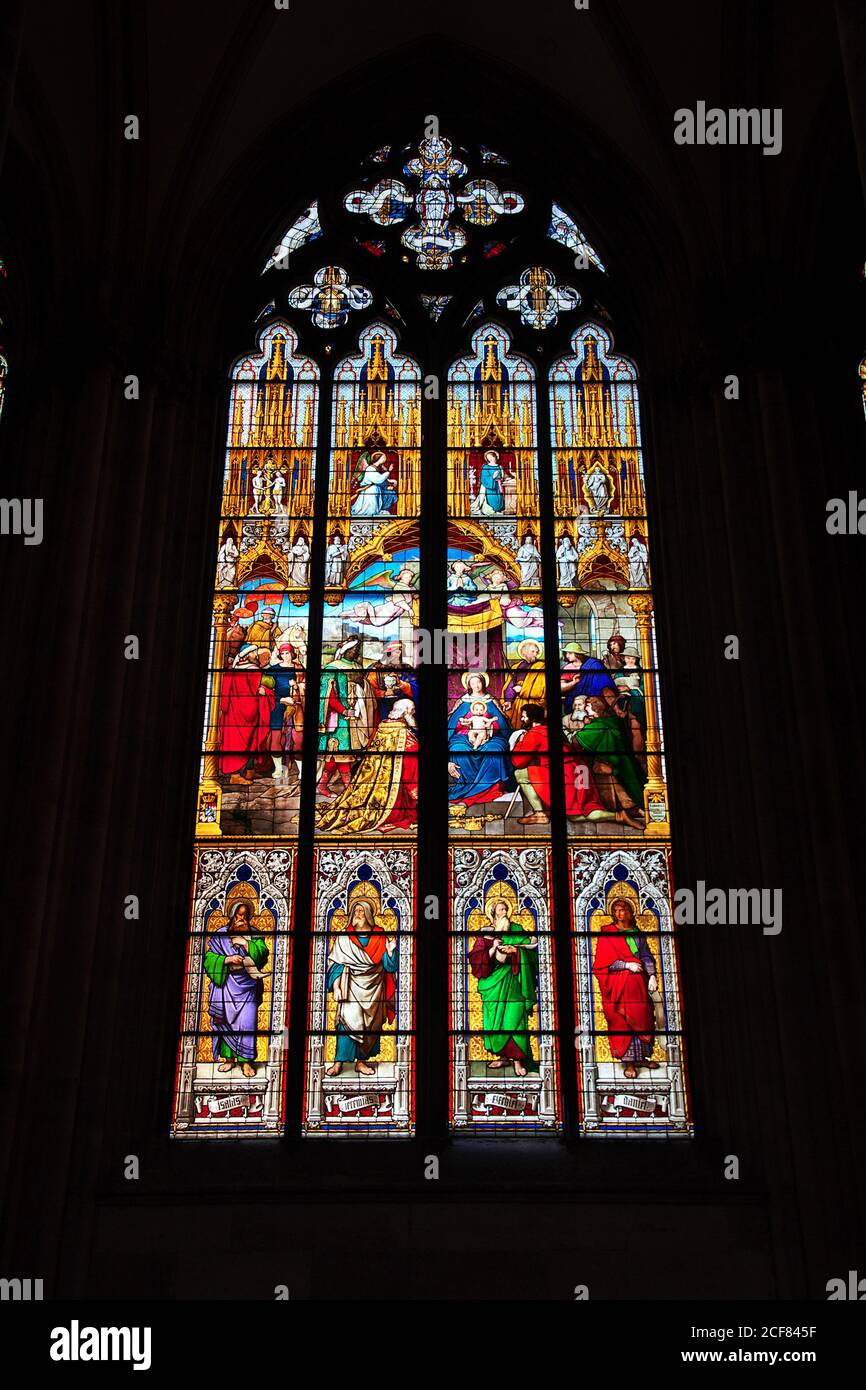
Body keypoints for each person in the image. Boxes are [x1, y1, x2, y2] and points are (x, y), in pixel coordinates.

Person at [317, 698, 419, 834]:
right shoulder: (403, 731)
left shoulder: (383, 725)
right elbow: (411, 757)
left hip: (374, 776)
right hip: (394, 785)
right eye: (412, 711)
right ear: (405, 712)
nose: (413, 713)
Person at [324, 898, 398, 1077]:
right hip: (350, 986)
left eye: (360, 911)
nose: (357, 914)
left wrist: (389, 951)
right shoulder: (344, 938)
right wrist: (337, 987)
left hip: (375, 987)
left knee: (371, 1026)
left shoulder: (379, 936)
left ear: (368, 914)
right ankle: (339, 1062)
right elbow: (335, 965)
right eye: (355, 911)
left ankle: (361, 1062)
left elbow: (389, 967)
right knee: (346, 1023)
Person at [468, 896, 539, 1076]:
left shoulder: (517, 930)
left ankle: (518, 1061)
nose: (504, 913)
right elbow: (475, 960)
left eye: (505, 909)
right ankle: (502, 1056)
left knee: (514, 1020)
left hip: (514, 983)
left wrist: (516, 951)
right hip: (492, 985)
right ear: (492, 914)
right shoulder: (485, 934)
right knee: (495, 1023)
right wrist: (492, 949)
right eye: (500, 910)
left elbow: (535, 953)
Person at [592, 897, 659, 1079]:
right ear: (613, 914)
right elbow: (601, 964)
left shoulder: (637, 934)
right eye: (617, 910)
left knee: (643, 1018)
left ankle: (642, 1058)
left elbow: (646, 956)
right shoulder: (607, 933)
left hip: (639, 985)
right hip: (618, 987)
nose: (621, 913)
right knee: (624, 1022)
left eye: (625, 909)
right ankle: (629, 1062)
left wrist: (652, 975)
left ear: (631, 912)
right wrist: (626, 965)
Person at [205, 901, 269, 1079]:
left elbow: (263, 955)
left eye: (245, 915)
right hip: (225, 984)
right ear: (232, 915)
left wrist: (246, 943)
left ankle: (246, 1061)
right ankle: (229, 1059)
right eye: (238, 915)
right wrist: (227, 960)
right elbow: (209, 959)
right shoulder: (220, 935)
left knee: (247, 1023)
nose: (242, 919)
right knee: (225, 1021)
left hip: (248, 985)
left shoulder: (254, 934)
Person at [571, 695, 646, 828]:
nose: (585, 708)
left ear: (596, 708)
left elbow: (577, 741)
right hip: (620, 761)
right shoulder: (611, 721)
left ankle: (626, 809)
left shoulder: (599, 725)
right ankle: (630, 809)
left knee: (620, 789)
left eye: (587, 706)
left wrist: (576, 734)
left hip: (608, 764)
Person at [447, 672, 516, 808]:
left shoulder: (491, 701)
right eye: (472, 683)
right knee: (457, 749)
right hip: (464, 736)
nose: (476, 685)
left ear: (483, 683)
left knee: (496, 749)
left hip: (490, 736)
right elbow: (453, 724)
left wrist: (489, 725)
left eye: (478, 682)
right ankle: (467, 787)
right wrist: (465, 723)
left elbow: (501, 724)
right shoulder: (463, 701)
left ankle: (490, 788)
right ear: (468, 685)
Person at [218, 645, 276, 784]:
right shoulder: (252, 670)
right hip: (243, 711)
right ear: (247, 654)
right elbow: (261, 687)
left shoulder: (233, 670)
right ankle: (235, 775)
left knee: (252, 740)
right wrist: (266, 690)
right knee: (240, 742)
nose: (256, 655)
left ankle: (250, 770)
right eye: (253, 653)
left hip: (236, 711)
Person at [351, 448, 396, 517]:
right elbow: (378, 480)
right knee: (371, 509)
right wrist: (388, 471)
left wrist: (388, 485)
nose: (384, 459)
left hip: (375, 490)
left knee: (391, 494)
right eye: (383, 457)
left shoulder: (376, 468)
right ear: (378, 459)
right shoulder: (370, 468)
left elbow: (380, 480)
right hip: (370, 492)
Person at [472, 448, 506, 516]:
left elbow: (503, 476)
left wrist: (502, 479)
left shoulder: (499, 466)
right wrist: (492, 477)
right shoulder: (485, 466)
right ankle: (492, 511)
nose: (490, 459)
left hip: (498, 486)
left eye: (491, 457)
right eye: (488, 458)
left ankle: (498, 510)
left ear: (495, 457)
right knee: (492, 499)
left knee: (499, 499)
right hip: (490, 487)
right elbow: (483, 478)